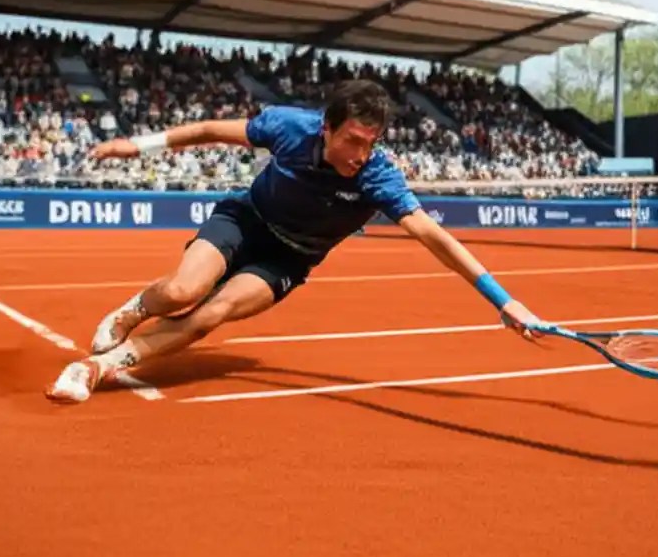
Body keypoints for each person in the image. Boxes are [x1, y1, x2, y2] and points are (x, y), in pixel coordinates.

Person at [45, 79, 545, 403]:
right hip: (246, 218)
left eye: (371, 143)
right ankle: (132, 311)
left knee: (210, 315)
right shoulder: (289, 127)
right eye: (352, 140)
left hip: (290, 258)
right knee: (181, 292)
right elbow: (207, 129)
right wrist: (140, 144)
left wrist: (505, 301)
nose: (360, 153)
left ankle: (95, 368)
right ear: (326, 129)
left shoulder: (378, 177)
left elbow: (434, 237)